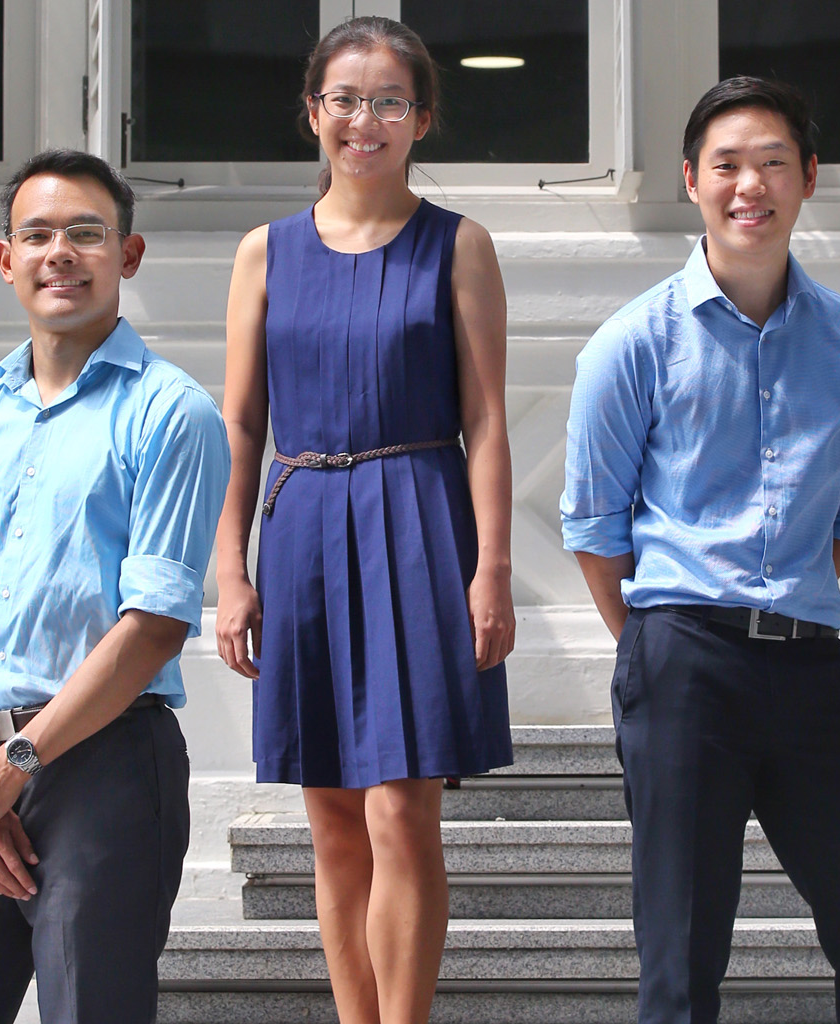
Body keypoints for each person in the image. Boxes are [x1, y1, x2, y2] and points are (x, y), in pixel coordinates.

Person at [561, 77, 840, 1023]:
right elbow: (596, 531)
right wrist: (658, 642)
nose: (748, 186)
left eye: (772, 163)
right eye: (726, 165)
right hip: (684, 663)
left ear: (808, 179)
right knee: (682, 958)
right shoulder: (631, 343)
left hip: (810, 670)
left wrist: (783, 596)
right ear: (692, 181)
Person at [0, 149, 231, 1024]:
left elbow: (154, 624)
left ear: (130, 254)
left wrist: (20, 763)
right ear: (6, 260)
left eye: (86, 233)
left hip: (107, 765)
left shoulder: (170, 411)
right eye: (36, 235)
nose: (59, 254)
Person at [214, 17, 515, 1024]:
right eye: (345, 99)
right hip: (299, 528)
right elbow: (241, 421)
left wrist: (493, 569)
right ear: (312, 114)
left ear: (422, 119)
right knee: (332, 819)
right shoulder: (265, 251)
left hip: (417, 517)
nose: (365, 120)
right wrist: (230, 568)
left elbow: (485, 418)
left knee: (401, 806)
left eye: (389, 101)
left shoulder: (459, 244)